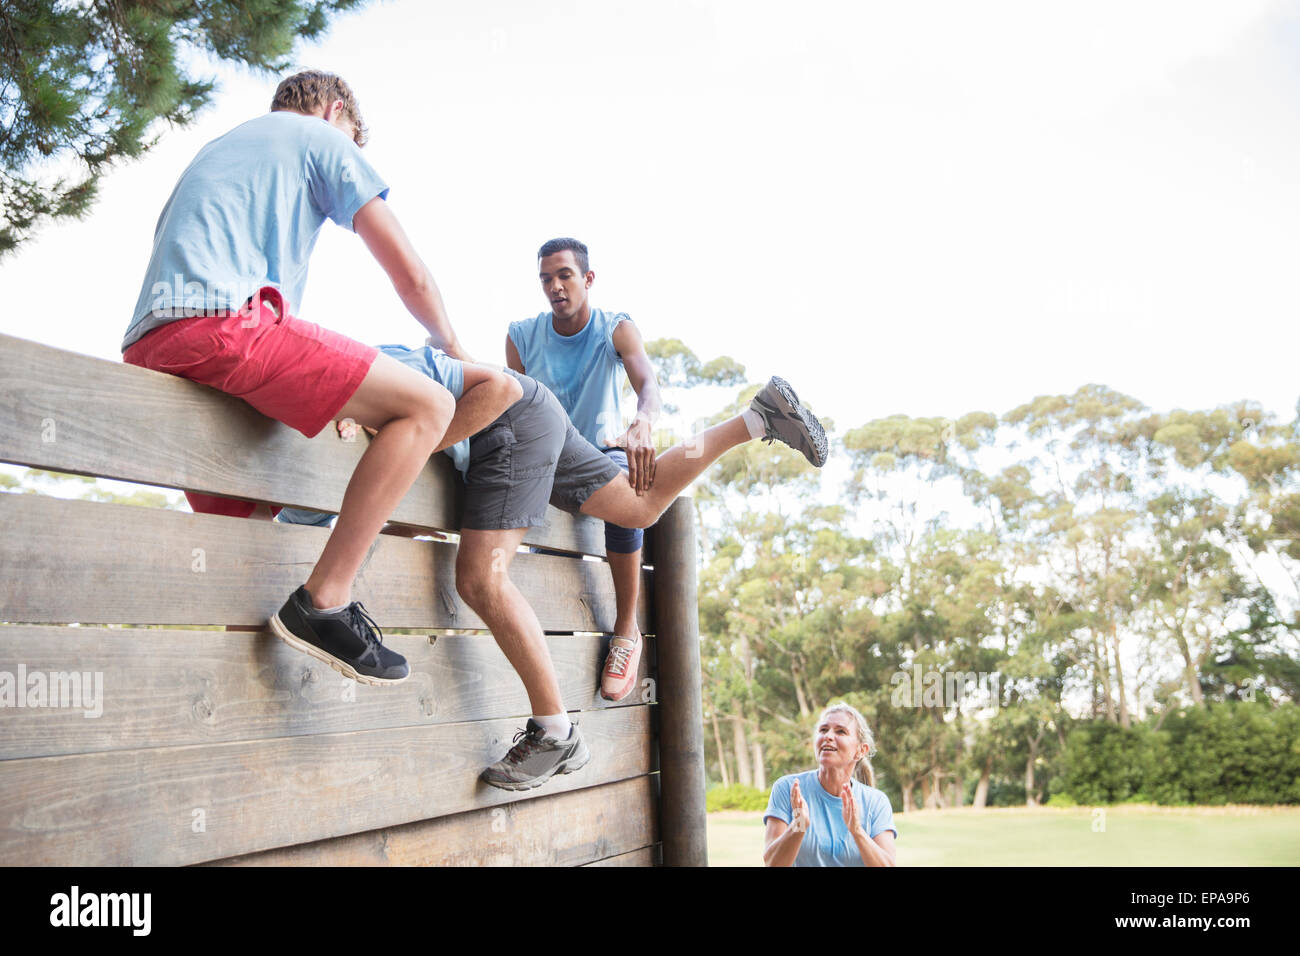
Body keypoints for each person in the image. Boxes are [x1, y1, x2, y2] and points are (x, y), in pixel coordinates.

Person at [283, 343, 828, 791]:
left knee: (481, 577)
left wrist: (415, 445)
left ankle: (555, 731)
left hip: (512, 418)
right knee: (638, 504)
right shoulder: (360, 386)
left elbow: (488, 393)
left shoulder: (370, 365)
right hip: (534, 414)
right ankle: (757, 419)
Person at [121, 70, 518, 686]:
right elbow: (408, 273)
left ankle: (232, 697)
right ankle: (325, 601)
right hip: (224, 327)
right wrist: (454, 345)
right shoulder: (322, 140)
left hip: (152, 343)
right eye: (354, 140)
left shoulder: (225, 148)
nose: (352, 155)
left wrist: (333, 391)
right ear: (337, 113)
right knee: (430, 405)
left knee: (247, 540)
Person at [505, 238, 665, 703]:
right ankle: (543, 644)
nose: (555, 286)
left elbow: (648, 384)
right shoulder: (521, 335)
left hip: (601, 454)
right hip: (544, 460)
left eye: (565, 275)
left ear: (588, 279)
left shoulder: (615, 329)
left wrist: (643, 421)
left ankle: (625, 631)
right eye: (546, 278)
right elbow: (512, 405)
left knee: (629, 492)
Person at [763, 703, 898, 867]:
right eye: (823, 730)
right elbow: (772, 863)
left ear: (861, 750)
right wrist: (798, 826)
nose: (828, 736)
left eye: (840, 731)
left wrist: (857, 831)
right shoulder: (788, 788)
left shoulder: (876, 802)